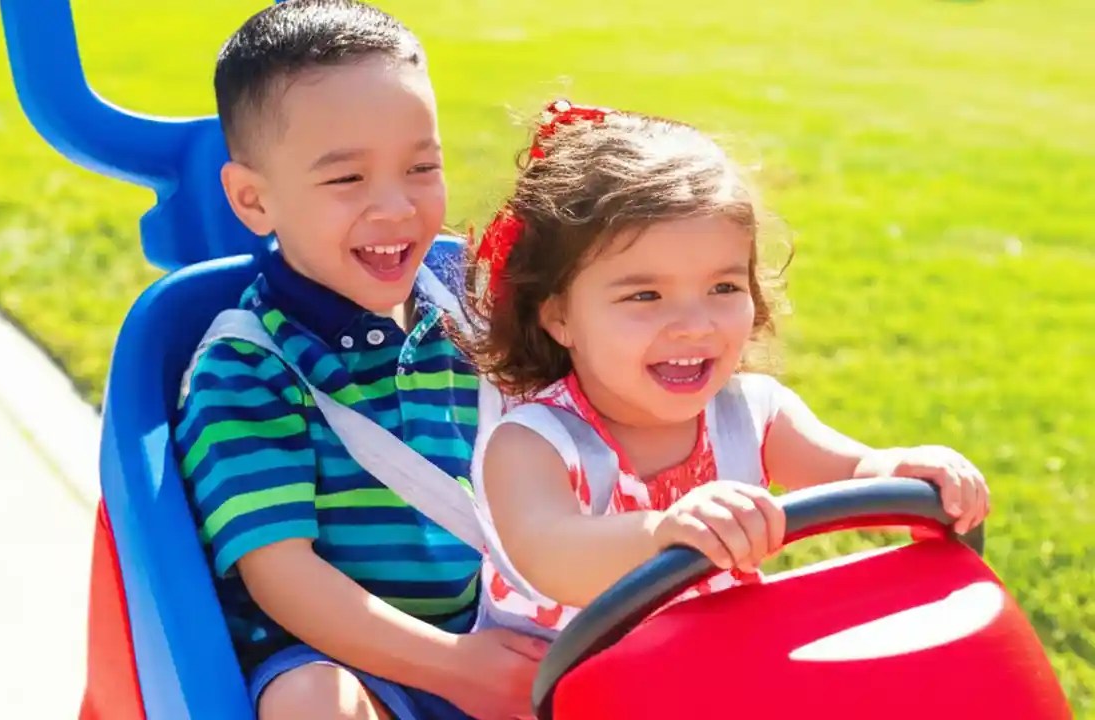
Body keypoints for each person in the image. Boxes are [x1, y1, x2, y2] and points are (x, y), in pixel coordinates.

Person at [460, 100, 991, 638]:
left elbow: (855, 474)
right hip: (554, 693)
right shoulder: (533, 444)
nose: (695, 325)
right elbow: (553, 553)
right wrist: (662, 533)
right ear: (559, 318)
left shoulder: (751, 414)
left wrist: (905, 470)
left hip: (713, 674)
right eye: (646, 294)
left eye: (723, 288)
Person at [173, 2, 545, 718]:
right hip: (354, 663)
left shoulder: (475, 302)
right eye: (347, 181)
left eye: (421, 166)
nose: (396, 207)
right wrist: (456, 668)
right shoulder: (248, 367)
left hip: (508, 628)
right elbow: (282, 576)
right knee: (313, 702)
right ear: (252, 199)